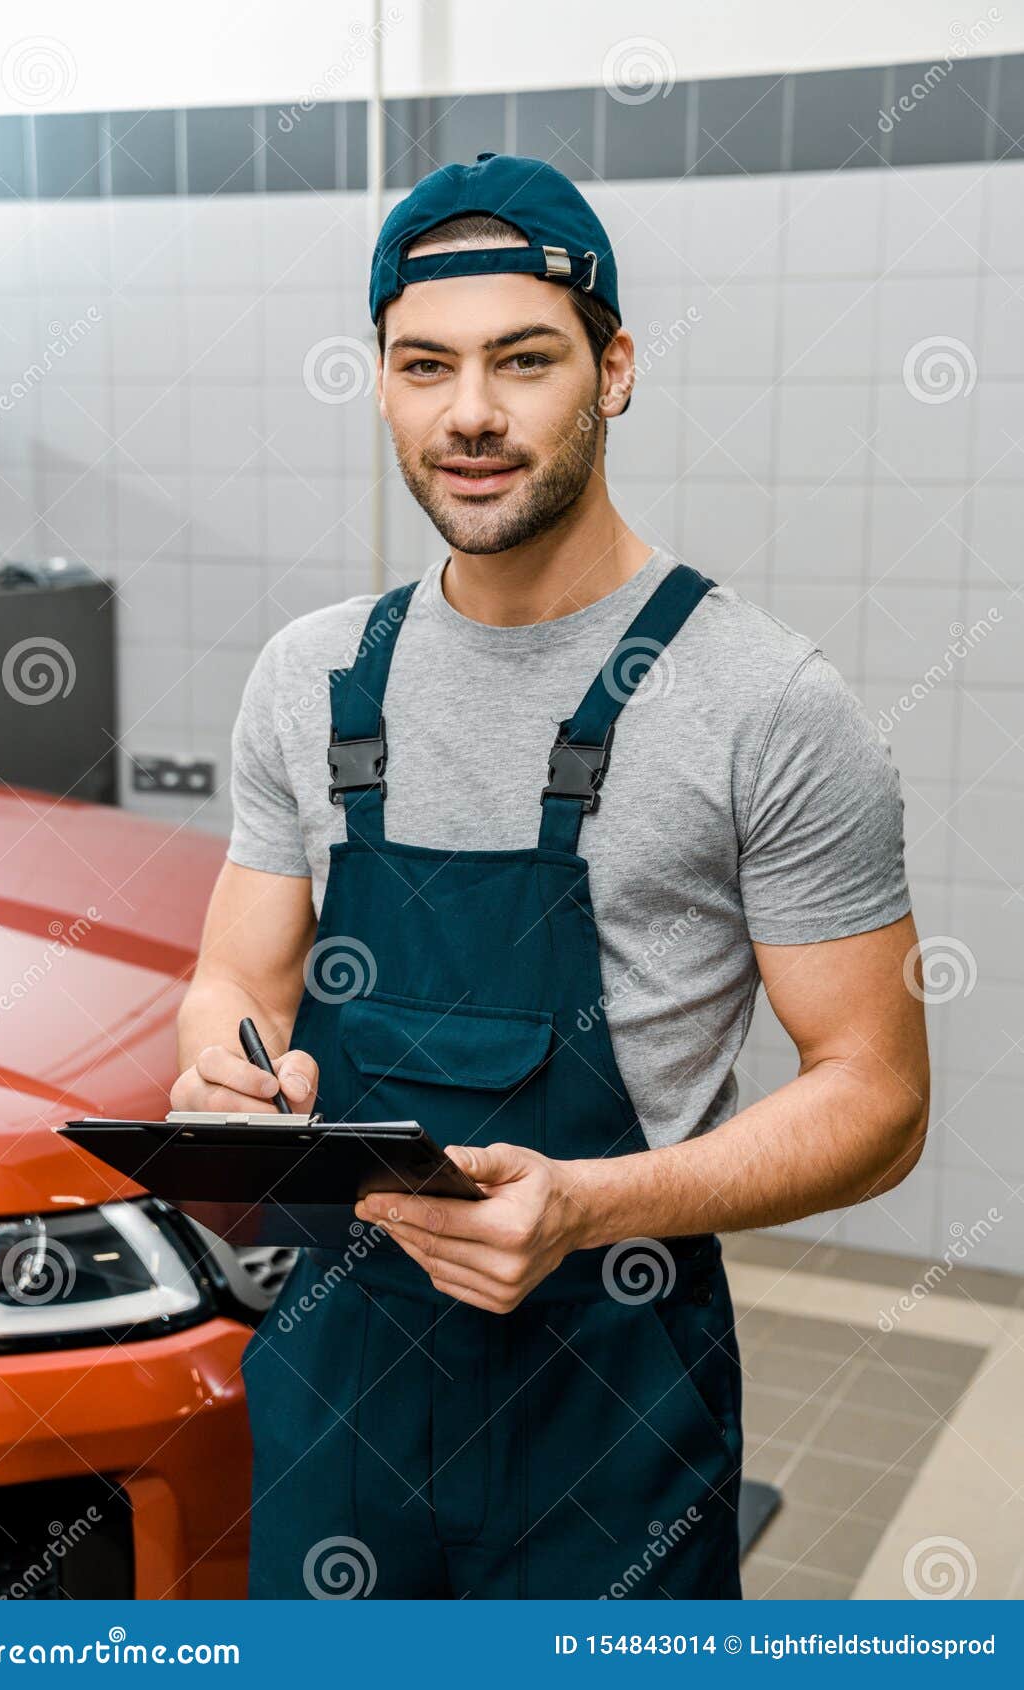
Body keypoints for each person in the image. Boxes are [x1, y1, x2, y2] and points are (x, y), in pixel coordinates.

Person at [172, 152, 929, 1601]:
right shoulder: (309, 677)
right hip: (341, 1389)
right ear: (382, 379)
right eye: (425, 364)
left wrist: (588, 1203)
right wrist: (222, 1078)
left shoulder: (767, 703)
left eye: (524, 360)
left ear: (615, 369)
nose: (470, 414)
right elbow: (234, 984)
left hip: (611, 1411)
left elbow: (879, 1098)